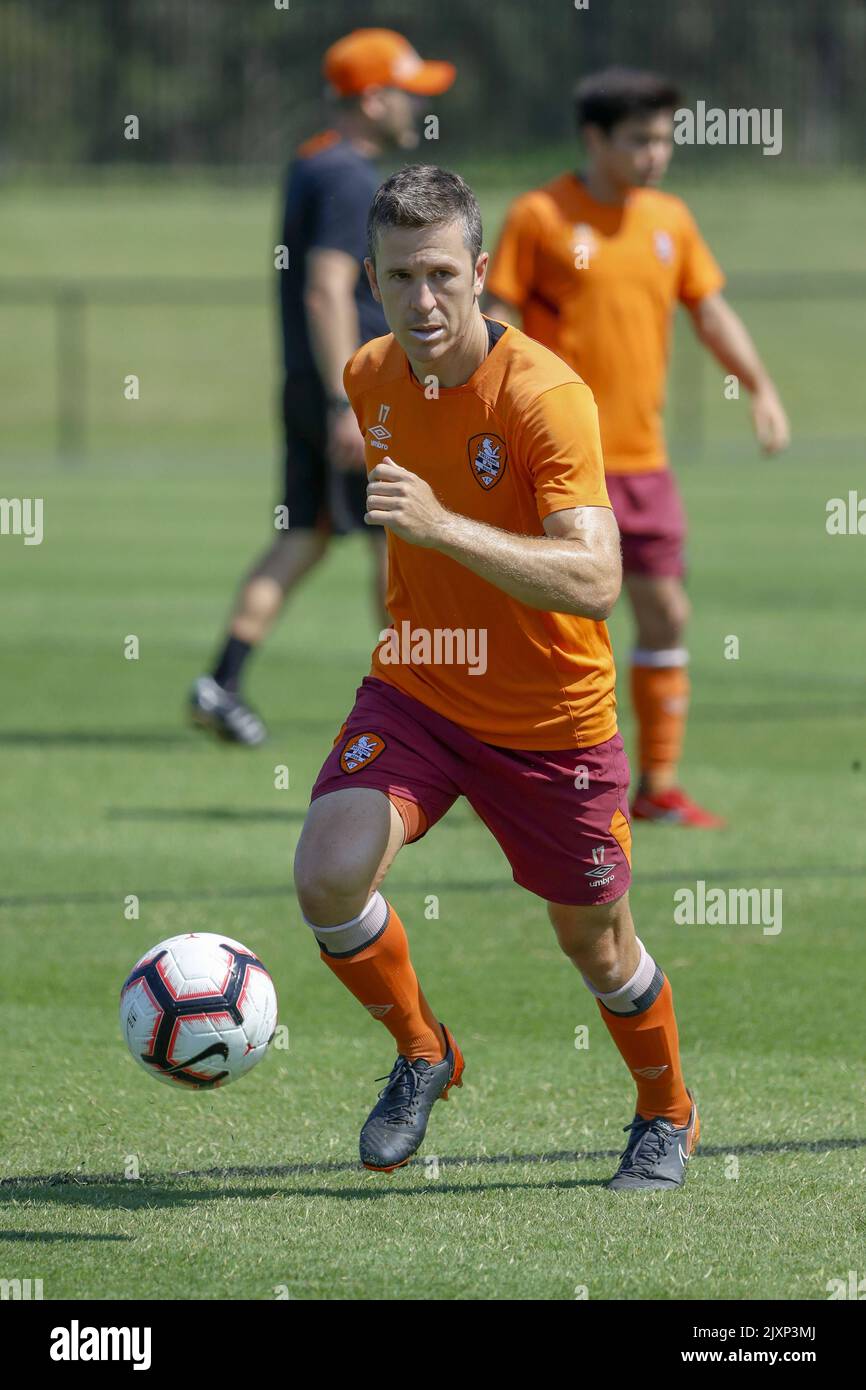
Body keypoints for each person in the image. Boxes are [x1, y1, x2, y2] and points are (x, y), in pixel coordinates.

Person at [293, 164, 700, 1192]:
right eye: (396, 279)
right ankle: (425, 1050)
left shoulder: (545, 397)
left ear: (478, 271)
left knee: (596, 947)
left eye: (439, 274)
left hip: (550, 721)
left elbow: (597, 577)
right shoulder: (370, 375)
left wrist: (439, 525)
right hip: (421, 686)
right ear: (372, 286)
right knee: (329, 872)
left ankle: (665, 1111)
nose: (420, 301)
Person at [485, 68, 790, 826]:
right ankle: (529, 779)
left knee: (666, 616)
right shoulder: (539, 216)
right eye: (640, 140)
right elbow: (496, 322)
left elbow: (710, 312)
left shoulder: (670, 221)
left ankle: (656, 785)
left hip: (643, 462)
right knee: (552, 632)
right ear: (595, 139)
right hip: (557, 463)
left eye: (665, 139)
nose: (657, 154)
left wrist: (760, 387)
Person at [190, 29, 456, 743]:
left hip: (311, 384)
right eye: (407, 91)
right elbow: (327, 289)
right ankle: (421, 700)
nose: (414, 106)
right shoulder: (347, 174)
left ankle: (222, 680)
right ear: (372, 97)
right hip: (350, 388)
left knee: (304, 535)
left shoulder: (314, 161)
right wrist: (348, 400)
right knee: (397, 539)